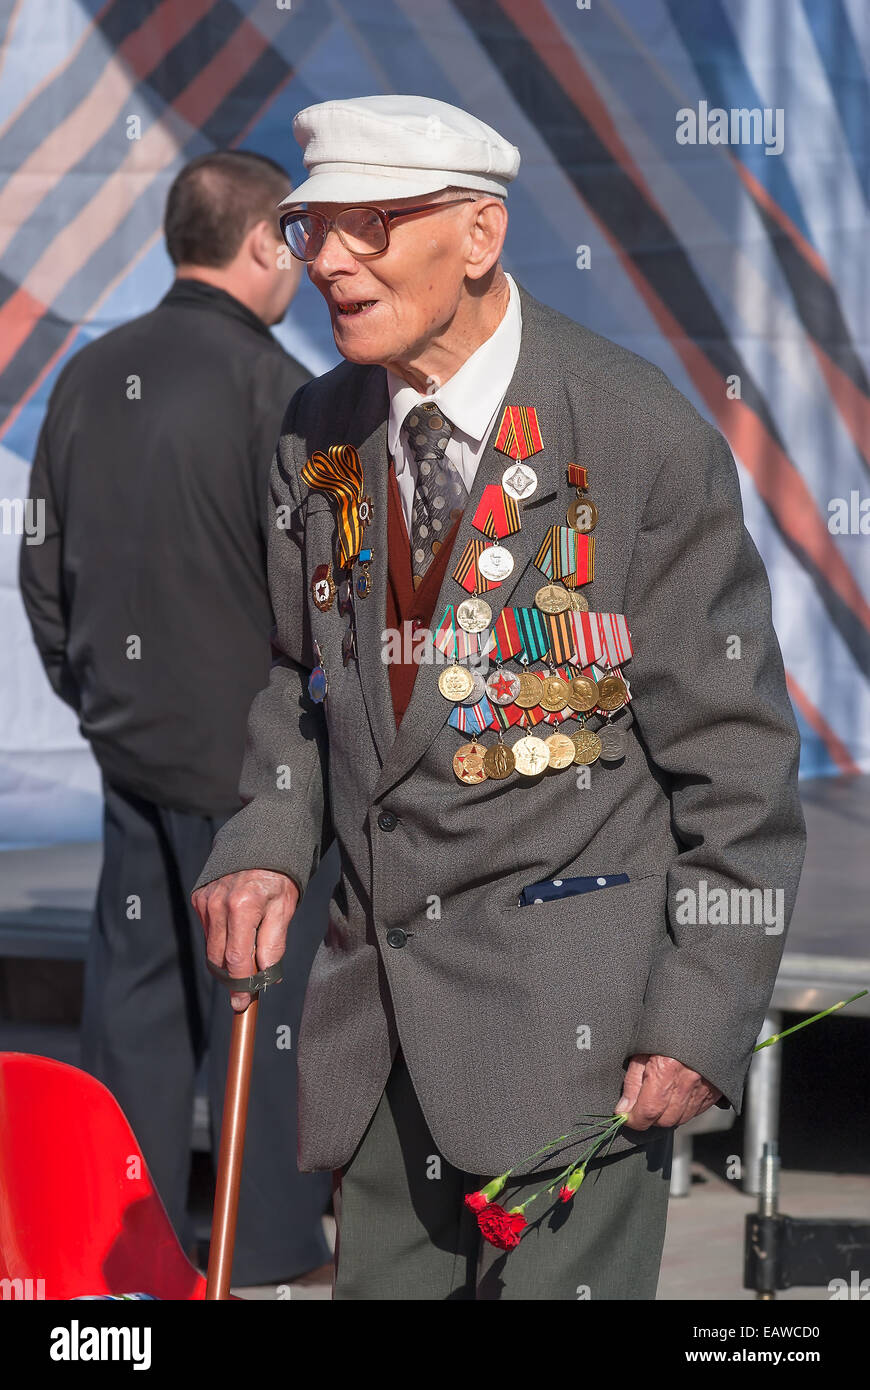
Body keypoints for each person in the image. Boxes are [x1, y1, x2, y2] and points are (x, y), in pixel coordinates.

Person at [191, 97, 807, 1300]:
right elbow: (295, 678)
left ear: (481, 235)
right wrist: (264, 839)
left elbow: (738, 766)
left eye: (372, 223)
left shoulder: (637, 438)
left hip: (573, 1052)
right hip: (375, 1049)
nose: (331, 259)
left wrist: (698, 1017)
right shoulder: (316, 433)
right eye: (315, 228)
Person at [19, 150, 334, 1286]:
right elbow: (324, 600)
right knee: (264, 1014)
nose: (305, 264)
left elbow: (41, 570)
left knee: (138, 1017)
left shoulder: (93, 373)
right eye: (292, 241)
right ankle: (265, 1255)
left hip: (133, 754)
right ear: (259, 244)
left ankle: (129, 1264)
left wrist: (101, 705)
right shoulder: (287, 392)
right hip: (258, 779)